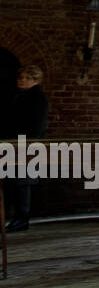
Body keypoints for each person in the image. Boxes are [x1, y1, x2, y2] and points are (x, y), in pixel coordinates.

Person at [3, 65, 49, 232]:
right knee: (14, 182)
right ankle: (17, 217)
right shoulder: (21, 96)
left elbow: (36, 126)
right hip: (16, 144)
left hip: (26, 145)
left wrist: (26, 144)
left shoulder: (37, 98)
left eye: (26, 78)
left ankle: (22, 219)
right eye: (20, 77)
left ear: (35, 80)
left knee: (22, 182)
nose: (21, 80)